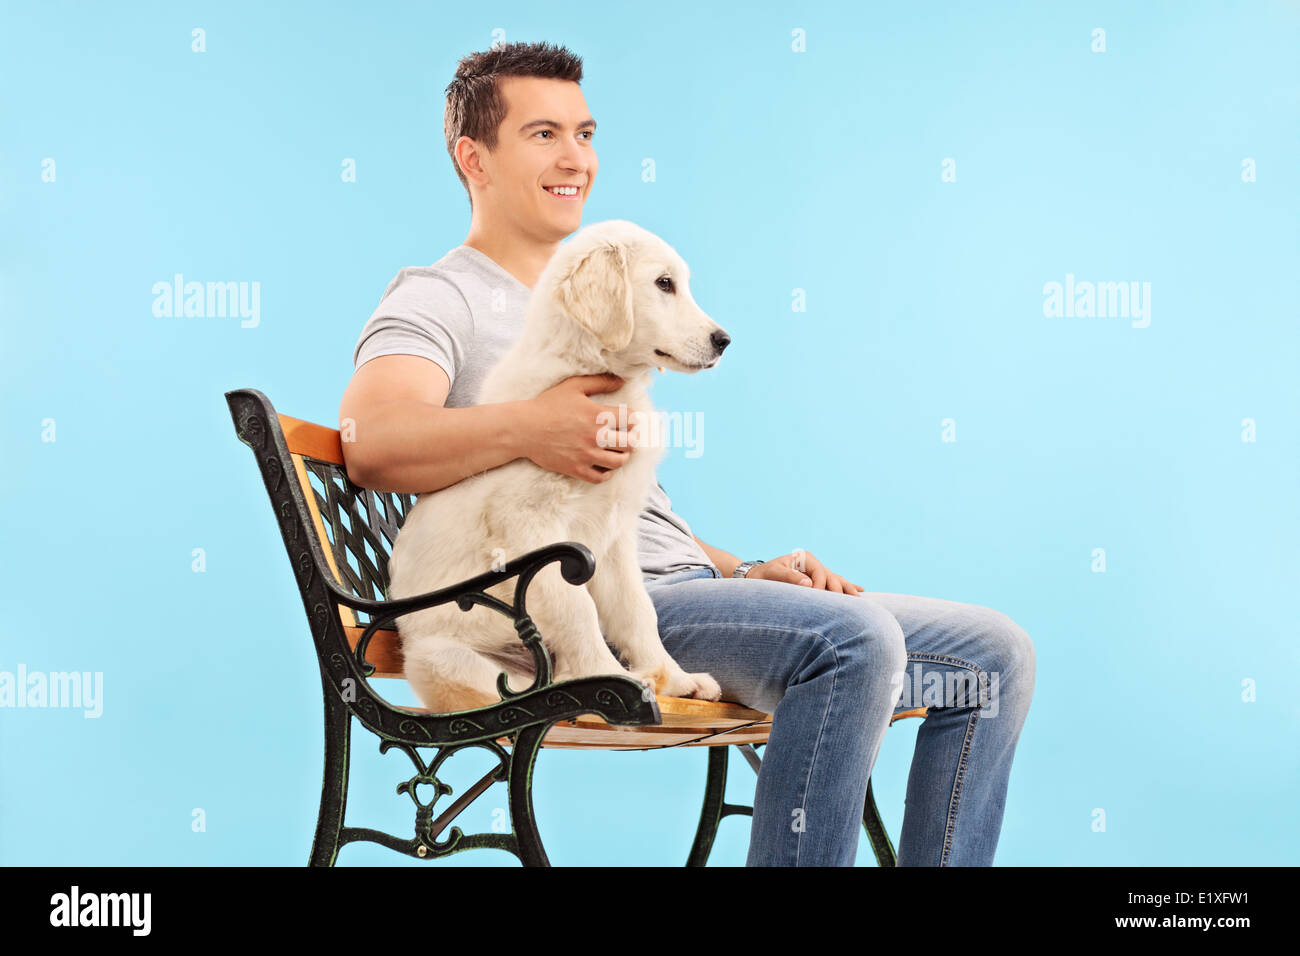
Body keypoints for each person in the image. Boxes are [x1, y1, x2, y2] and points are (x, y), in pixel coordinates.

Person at [339, 41, 1035, 866]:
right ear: (474, 158)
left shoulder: (614, 286)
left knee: (994, 655)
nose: (576, 159)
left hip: (683, 592)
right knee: (853, 644)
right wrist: (531, 426)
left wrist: (746, 572)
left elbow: (626, 516)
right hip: (566, 607)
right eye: (543, 134)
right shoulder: (442, 296)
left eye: (585, 133)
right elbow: (372, 440)